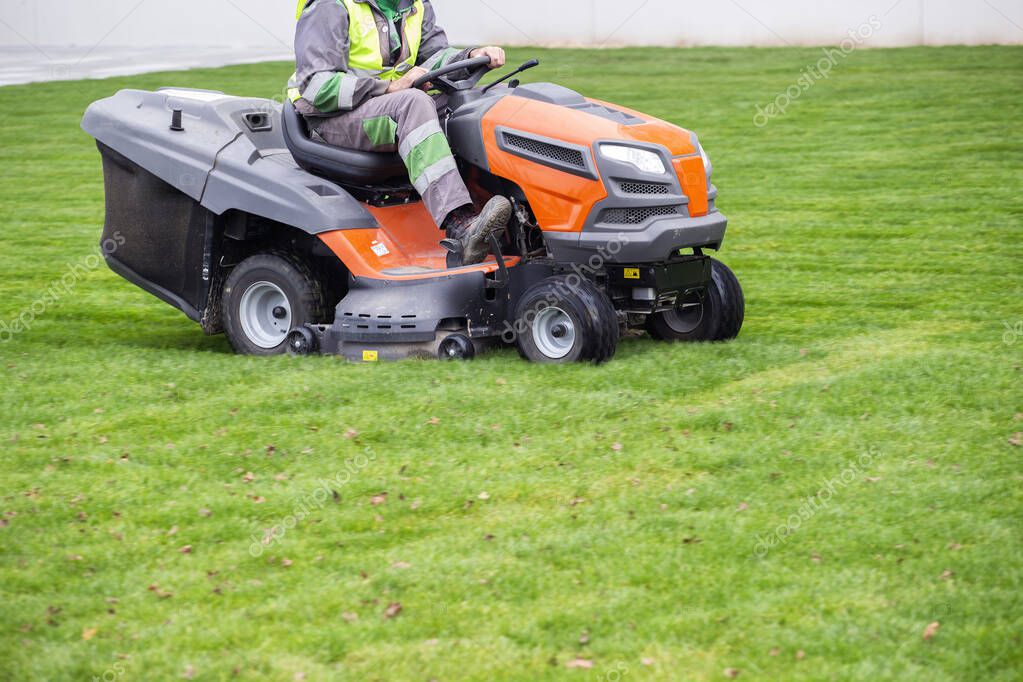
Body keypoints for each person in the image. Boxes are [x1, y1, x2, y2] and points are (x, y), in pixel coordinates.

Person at [289, 0, 510, 266]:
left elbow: (434, 57)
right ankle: (460, 224)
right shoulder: (331, 5)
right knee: (414, 103)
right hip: (332, 118)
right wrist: (389, 87)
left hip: (387, 104)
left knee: (483, 101)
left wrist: (471, 56)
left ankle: (516, 214)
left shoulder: (413, 5)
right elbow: (316, 87)